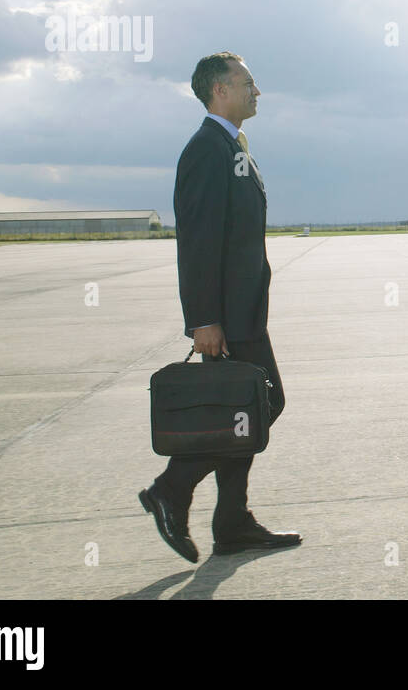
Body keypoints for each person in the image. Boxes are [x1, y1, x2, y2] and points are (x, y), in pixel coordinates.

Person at [139, 51, 300, 562]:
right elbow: (198, 240)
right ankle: (173, 489)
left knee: (245, 409)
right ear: (220, 91)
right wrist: (203, 319)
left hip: (243, 310)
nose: (258, 91)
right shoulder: (207, 150)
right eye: (248, 82)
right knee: (261, 405)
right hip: (226, 317)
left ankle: (232, 522)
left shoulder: (231, 147)